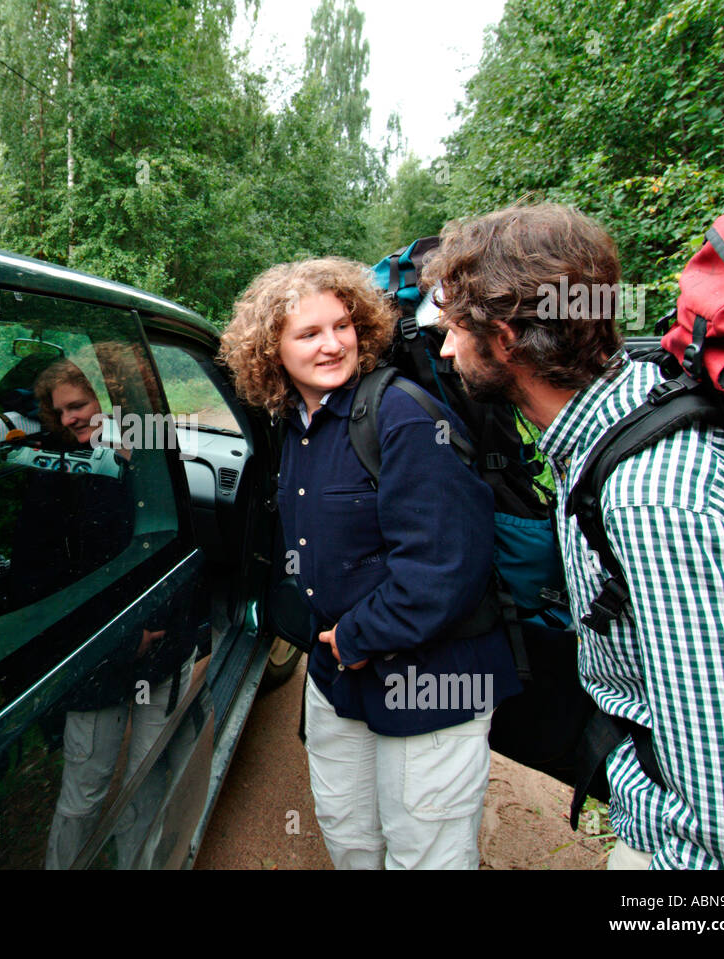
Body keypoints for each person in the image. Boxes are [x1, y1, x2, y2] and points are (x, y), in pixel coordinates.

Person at [425, 203, 724, 869]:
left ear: (505, 337)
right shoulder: (620, 420)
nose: (446, 348)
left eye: (454, 328)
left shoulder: (656, 499)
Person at [218, 257, 520, 870]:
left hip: (430, 681)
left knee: (425, 852)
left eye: (342, 326)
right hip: (338, 675)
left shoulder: (402, 415)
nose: (333, 345)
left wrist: (356, 634)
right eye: (308, 333)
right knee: (348, 833)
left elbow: (445, 569)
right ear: (271, 350)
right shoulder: (297, 426)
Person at [28, 358, 199, 869]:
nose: (71, 419)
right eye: (59, 413)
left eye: (78, 405)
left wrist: (129, 461)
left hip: (159, 647)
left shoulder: (148, 454)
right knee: (86, 787)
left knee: (145, 775)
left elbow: (175, 543)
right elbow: (49, 583)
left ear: (104, 398)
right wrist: (122, 640)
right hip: (97, 656)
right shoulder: (52, 471)